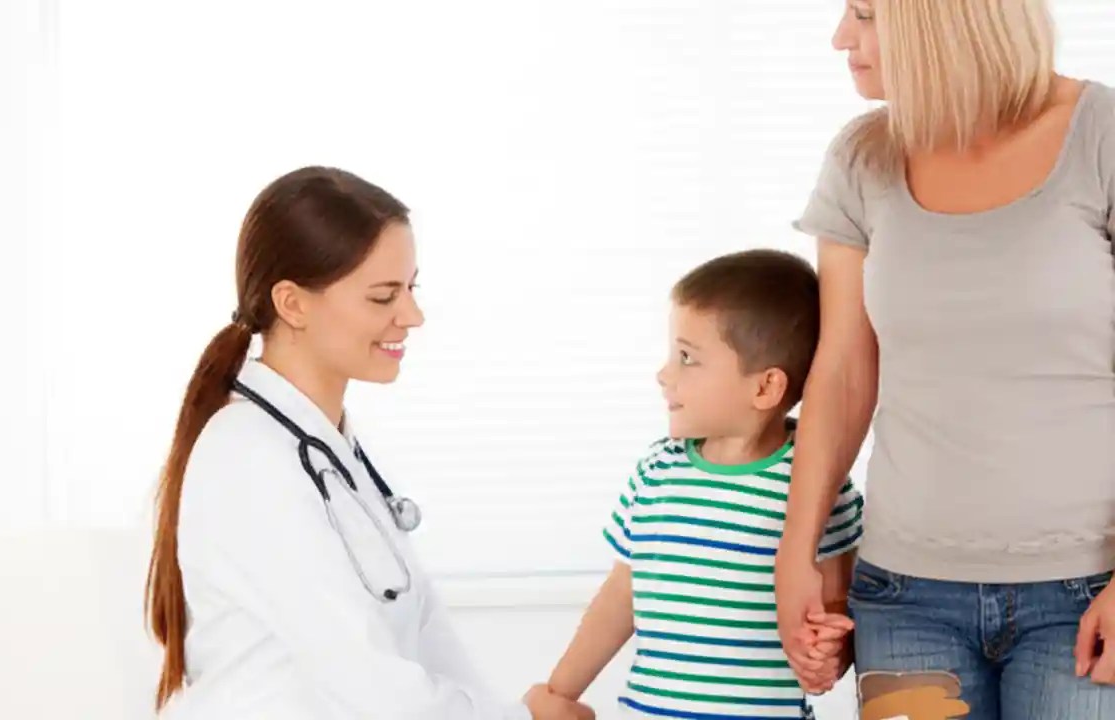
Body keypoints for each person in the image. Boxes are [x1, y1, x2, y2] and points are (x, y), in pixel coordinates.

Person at [143, 166, 595, 720]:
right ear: (293, 304)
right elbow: (364, 679)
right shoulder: (248, 457)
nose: (413, 316)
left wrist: (508, 713)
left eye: (411, 289)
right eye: (383, 297)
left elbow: (423, 629)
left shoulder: (329, 449)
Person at [776, 1, 1115, 718]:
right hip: (904, 597)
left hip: (1086, 595)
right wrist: (796, 551)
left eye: (865, 14)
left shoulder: (1103, 136)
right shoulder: (861, 155)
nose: (840, 37)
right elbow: (843, 371)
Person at [534, 250, 863, 719]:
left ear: (765, 387)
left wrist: (828, 653)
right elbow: (621, 597)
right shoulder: (657, 472)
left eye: (687, 358)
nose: (664, 374)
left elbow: (835, 609)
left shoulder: (817, 485)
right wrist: (558, 693)